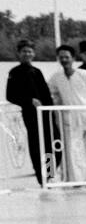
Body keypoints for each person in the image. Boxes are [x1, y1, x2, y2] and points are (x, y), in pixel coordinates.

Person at [47, 44, 86, 184]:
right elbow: (51, 93)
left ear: (73, 58)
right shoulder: (56, 77)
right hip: (70, 118)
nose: (64, 60)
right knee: (72, 151)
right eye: (61, 57)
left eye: (67, 57)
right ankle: (75, 180)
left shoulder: (84, 74)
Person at [6, 38, 55, 186]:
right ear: (19, 53)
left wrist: (51, 111)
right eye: (24, 51)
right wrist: (29, 101)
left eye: (29, 51)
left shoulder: (37, 72)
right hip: (30, 116)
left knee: (49, 146)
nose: (27, 54)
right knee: (36, 146)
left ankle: (50, 175)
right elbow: (10, 96)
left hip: (45, 115)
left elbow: (46, 94)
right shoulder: (14, 72)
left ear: (33, 53)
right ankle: (41, 177)